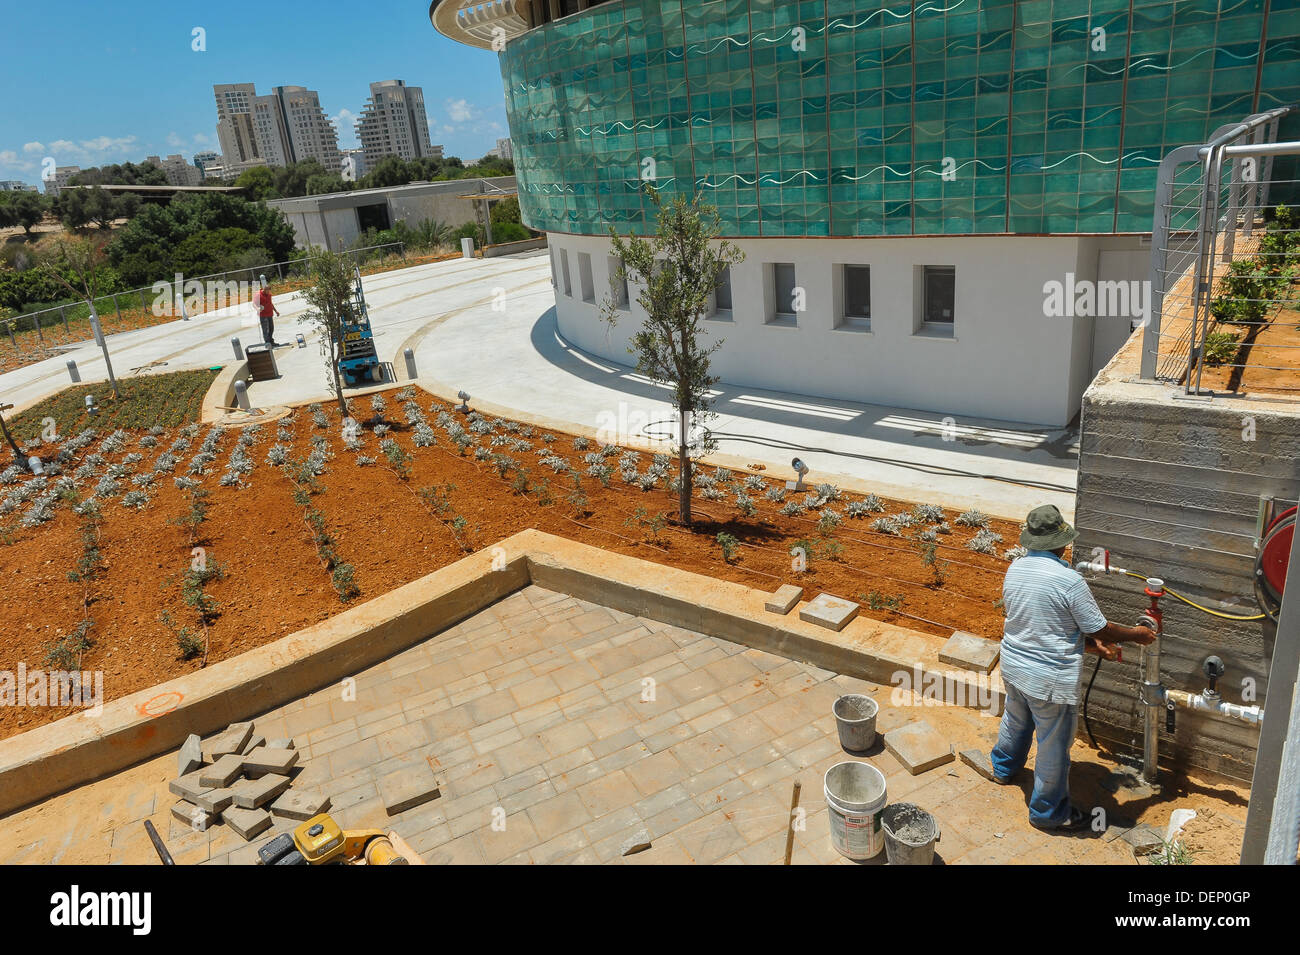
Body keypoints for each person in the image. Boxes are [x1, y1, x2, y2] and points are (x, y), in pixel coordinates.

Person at [990, 504, 1156, 831]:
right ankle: (1047, 814)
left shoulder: (1016, 568)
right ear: (1062, 543)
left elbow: (1040, 624)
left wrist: (1093, 649)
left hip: (1014, 665)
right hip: (1049, 681)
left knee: (1016, 718)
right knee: (1053, 747)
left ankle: (1003, 769)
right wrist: (1138, 635)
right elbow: (1100, 628)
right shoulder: (1069, 580)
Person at [255, 275, 282, 347]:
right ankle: (267, 343)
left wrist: (276, 311)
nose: (269, 292)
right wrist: (257, 308)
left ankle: (271, 341)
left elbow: (270, 303)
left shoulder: (269, 295)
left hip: (270, 314)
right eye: (268, 291)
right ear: (264, 289)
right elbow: (254, 304)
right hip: (263, 315)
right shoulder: (258, 295)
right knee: (265, 329)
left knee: (271, 329)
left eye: (269, 291)